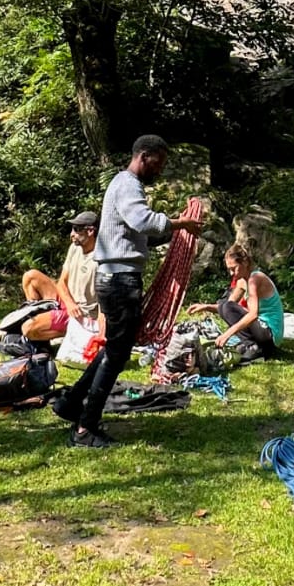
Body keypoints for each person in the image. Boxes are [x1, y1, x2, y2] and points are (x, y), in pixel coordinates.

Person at [50, 135, 202, 449]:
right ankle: (85, 429)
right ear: (144, 156)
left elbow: (133, 234)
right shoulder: (129, 184)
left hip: (116, 278)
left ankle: (71, 403)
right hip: (120, 282)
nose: (159, 171)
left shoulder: (122, 185)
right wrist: (180, 223)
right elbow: (143, 220)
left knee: (114, 349)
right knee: (117, 356)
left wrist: (174, 231)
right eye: (158, 163)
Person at [187, 242, 284, 358]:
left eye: (234, 268)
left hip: (269, 334)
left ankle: (254, 347)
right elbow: (227, 307)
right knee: (225, 305)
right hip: (260, 329)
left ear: (245, 262)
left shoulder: (255, 279)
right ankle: (251, 345)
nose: (231, 273)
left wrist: (227, 334)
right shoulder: (242, 282)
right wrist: (205, 306)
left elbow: (253, 315)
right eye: (229, 269)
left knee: (228, 306)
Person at [19, 210, 100, 344]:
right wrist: (69, 303)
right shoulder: (75, 248)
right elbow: (62, 282)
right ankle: (40, 322)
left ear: (90, 231)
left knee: (28, 328)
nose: (71, 234)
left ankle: (65, 332)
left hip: (82, 314)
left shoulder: (100, 259)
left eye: (76, 229)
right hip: (68, 302)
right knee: (31, 276)